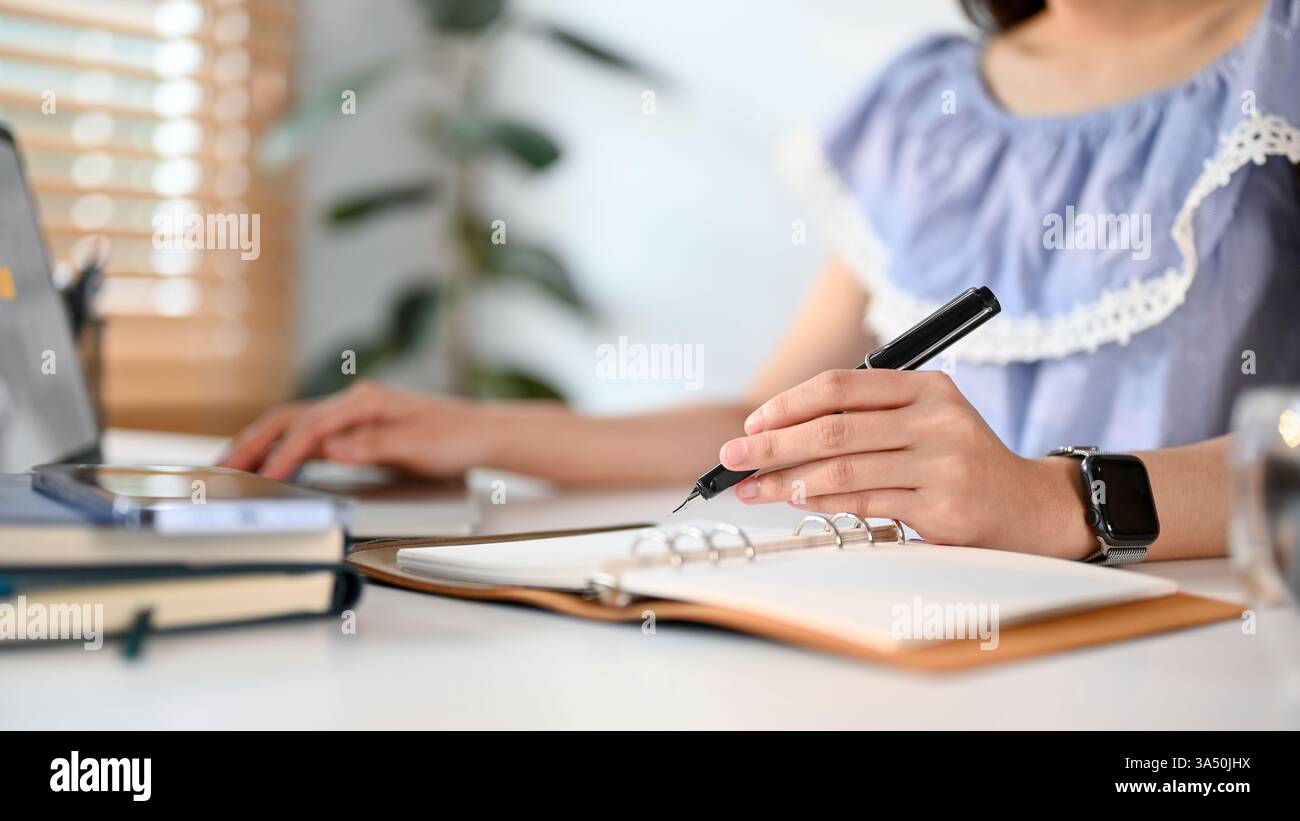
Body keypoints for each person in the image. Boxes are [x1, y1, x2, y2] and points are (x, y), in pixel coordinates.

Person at [223, 0, 1300, 561]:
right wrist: (480, 434)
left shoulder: (1278, 59)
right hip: (945, 654)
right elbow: (769, 418)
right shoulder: (921, 104)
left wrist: (1053, 500)